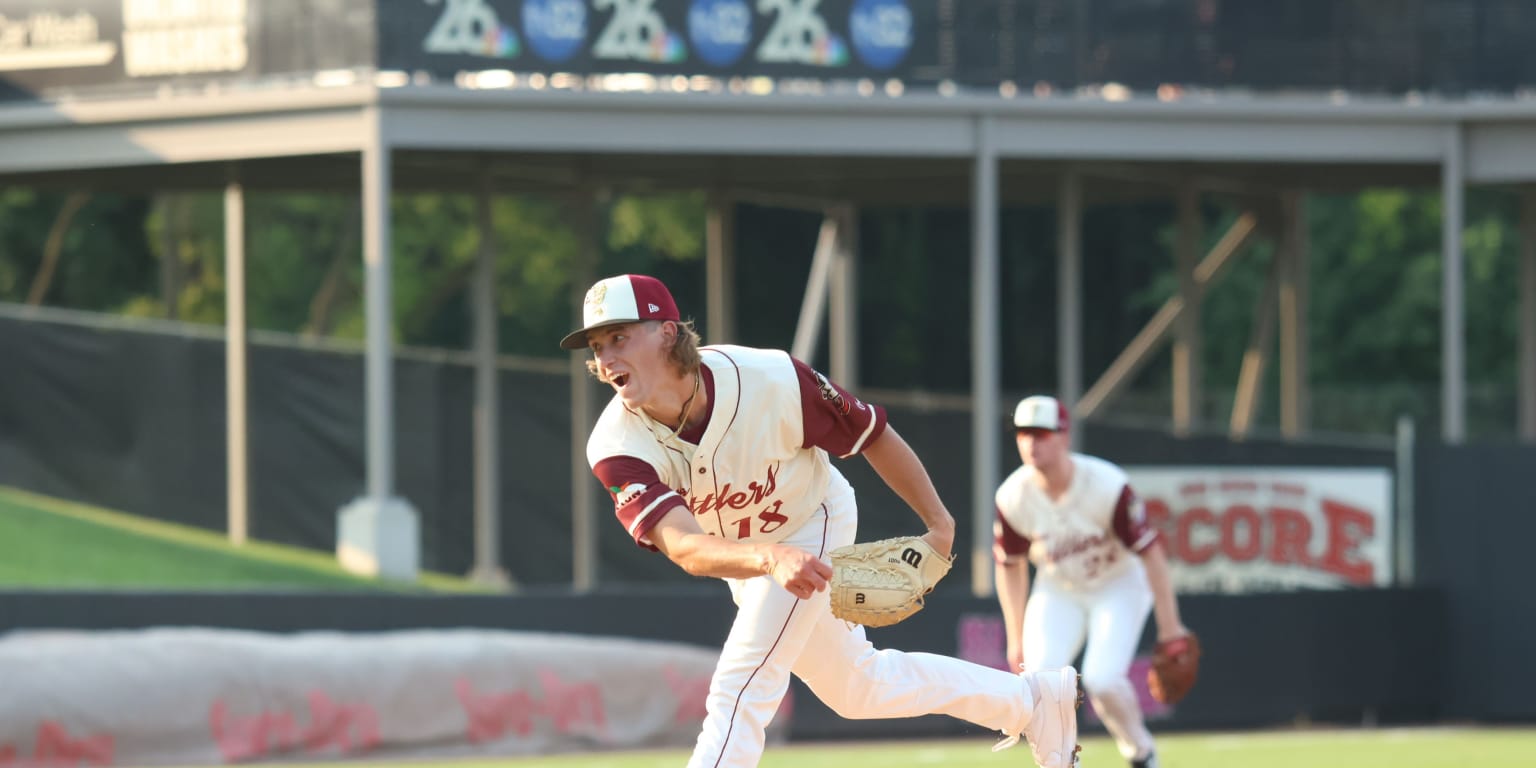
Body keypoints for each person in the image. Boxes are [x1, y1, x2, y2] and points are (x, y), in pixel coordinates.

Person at [561, 274, 1081, 768]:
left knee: (743, 679)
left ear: (667, 333)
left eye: (619, 338)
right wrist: (767, 557)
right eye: (598, 347)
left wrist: (938, 521)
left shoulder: (769, 379)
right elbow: (684, 545)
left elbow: (870, 434)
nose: (606, 359)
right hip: (750, 557)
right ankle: (1031, 701)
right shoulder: (615, 446)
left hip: (814, 519)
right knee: (858, 688)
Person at [993, 395, 1192, 768]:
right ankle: (1062, 763)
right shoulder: (1013, 496)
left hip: (1118, 584)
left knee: (1103, 680)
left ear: (1065, 437)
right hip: (1059, 589)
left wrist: (1170, 628)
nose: (1031, 442)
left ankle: (1141, 753)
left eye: (1041, 432)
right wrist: (1015, 635)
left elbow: (1151, 554)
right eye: (1023, 433)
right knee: (1041, 681)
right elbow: (1010, 565)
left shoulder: (1107, 484)